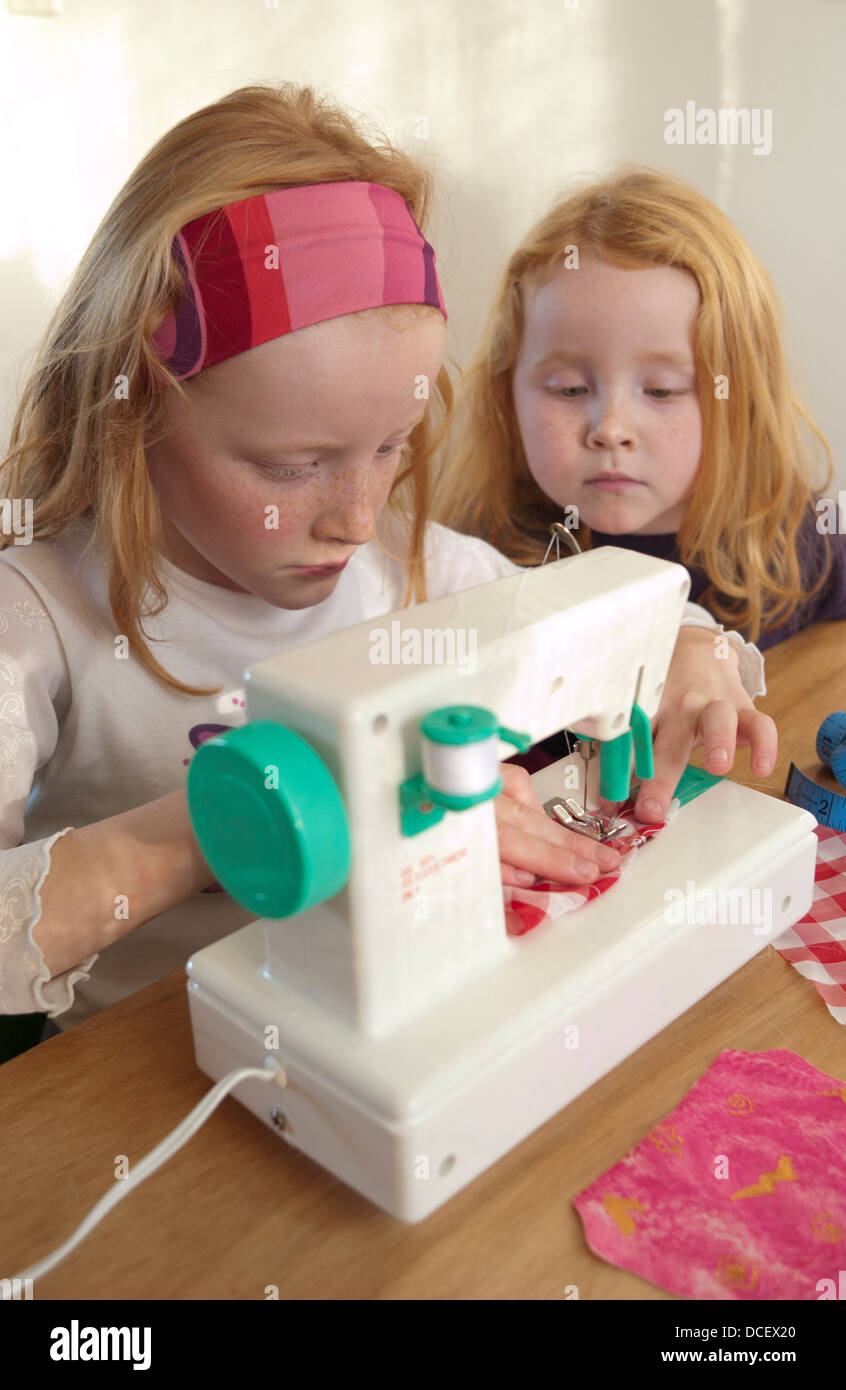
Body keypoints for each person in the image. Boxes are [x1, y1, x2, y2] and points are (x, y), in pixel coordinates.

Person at [0, 95, 773, 1032]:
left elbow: (623, 623)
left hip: (376, 1015)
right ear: (133, 409)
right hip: (136, 1074)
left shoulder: (414, 568)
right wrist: (227, 829)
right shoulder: (35, 621)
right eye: (293, 466)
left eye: (391, 447)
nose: (358, 519)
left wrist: (691, 651)